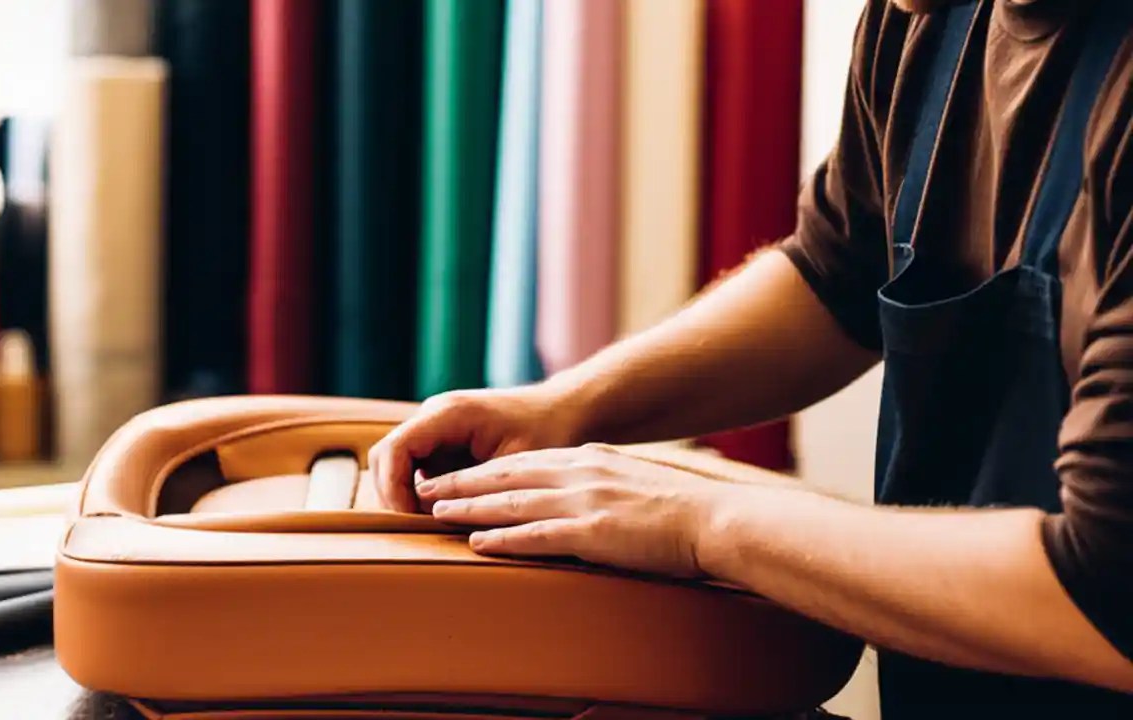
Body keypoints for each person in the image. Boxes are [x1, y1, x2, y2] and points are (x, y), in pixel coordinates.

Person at [368, 0, 1133, 715]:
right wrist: (561, 406)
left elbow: (1104, 593)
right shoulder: (929, 17)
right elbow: (837, 274)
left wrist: (704, 523)